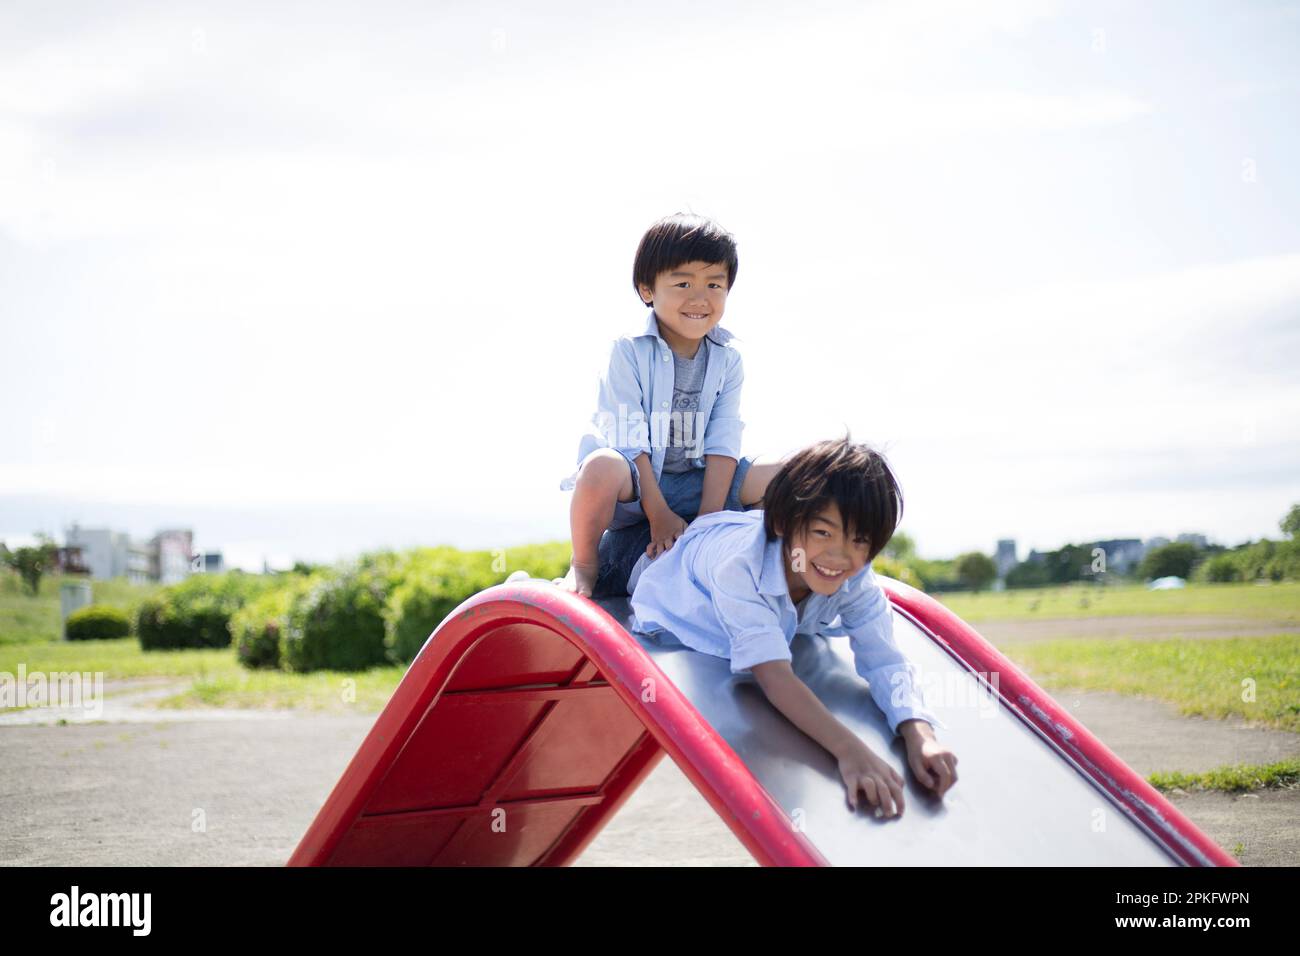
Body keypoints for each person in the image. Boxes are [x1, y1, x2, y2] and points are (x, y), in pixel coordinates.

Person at [627, 436, 959, 818]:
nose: (839, 556)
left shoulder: (854, 576)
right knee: (613, 566)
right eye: (823, 533)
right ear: (784, 523)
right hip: (659, 559)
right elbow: (773, 678)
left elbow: (885, 659)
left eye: (860, 539)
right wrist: (849, 751)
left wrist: (919, 734)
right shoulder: (740, 570)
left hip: (734, 529)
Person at [555, 212, 781, 598]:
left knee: (789, 474)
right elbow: (629, 435)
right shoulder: (628, 351)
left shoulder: (728, 360)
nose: (700, 298)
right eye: (682, 283)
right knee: (599, 466)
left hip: (696, 483)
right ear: (647, 290)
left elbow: (723, 438)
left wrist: (708, 522)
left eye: (714, 284)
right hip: (638, 486)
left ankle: (769, 566)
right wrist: (658, 513)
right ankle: (585, 566)